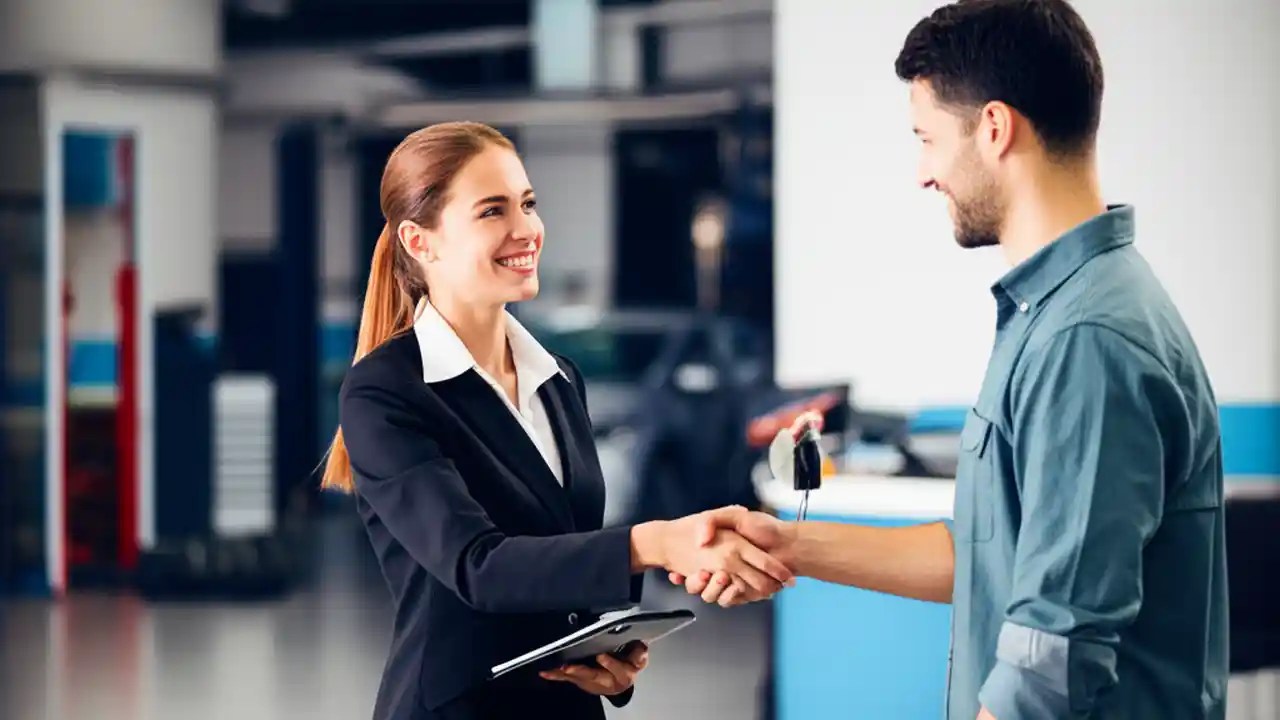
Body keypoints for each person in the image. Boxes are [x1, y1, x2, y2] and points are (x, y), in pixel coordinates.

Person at [674, 1, 1229, 719]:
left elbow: (1053, 656)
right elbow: (988, 560)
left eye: (927, 138)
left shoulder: (1087, 337)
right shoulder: (1057, 312)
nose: (922, 173)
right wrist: (789, 545)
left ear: (994, 129)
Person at [322, 121, 793, 720]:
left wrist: (608, 654)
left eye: (527, 204)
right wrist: (655, 542)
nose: (526, 230)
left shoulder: (558, 378)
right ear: (421, 242)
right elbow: (478, 566)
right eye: (492, 211)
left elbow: (560, 546)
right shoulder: (386, 391)